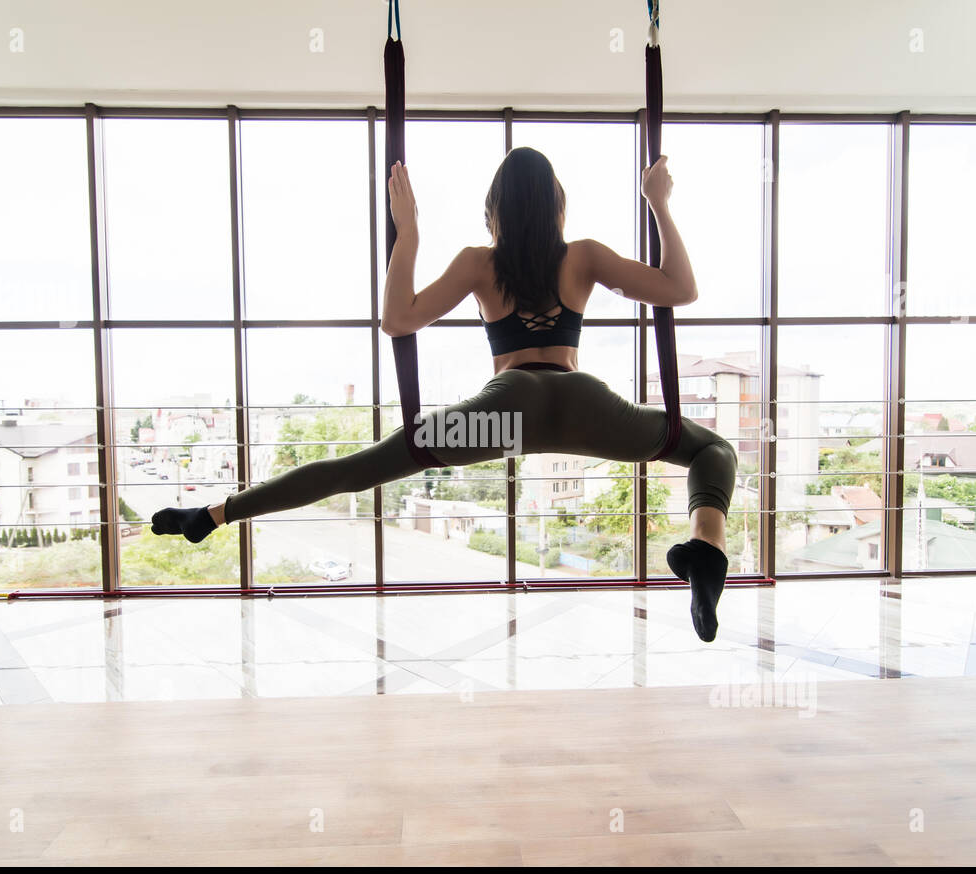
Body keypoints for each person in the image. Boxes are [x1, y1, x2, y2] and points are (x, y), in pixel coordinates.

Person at [152, 147, 736, 641]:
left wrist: (408, 235)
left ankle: (213, 514)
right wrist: (659, 203)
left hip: (501, 417)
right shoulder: (583, 255)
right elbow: (680, 289)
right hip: (584, 405)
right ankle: (705, 551)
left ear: (494, 210)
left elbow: (397, 320)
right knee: (713, 452)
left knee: (356, 469)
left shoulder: (479, 263)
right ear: (557, 203)